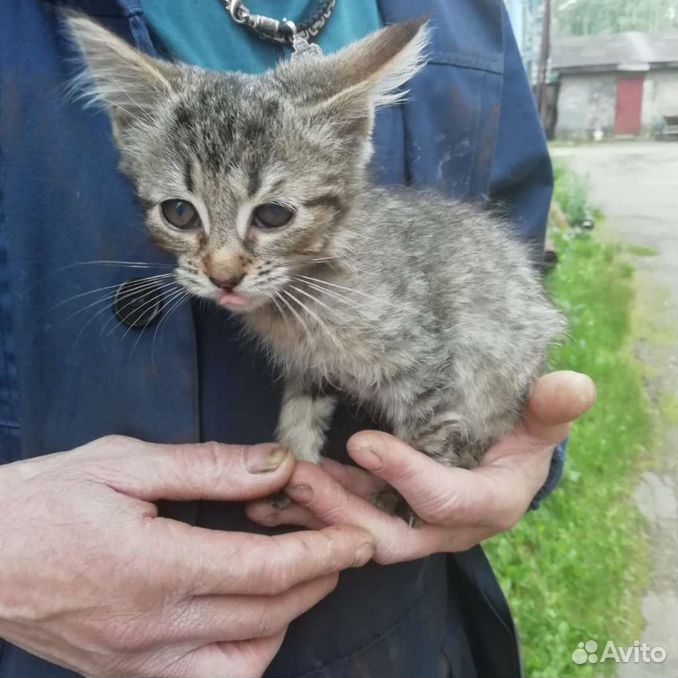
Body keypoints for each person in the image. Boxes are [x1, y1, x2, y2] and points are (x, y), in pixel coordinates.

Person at [0, 1, 595, 677]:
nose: (222, 267)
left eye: (273, 214)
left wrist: (513, 459)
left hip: (398, 627)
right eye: (180, 214)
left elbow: (510, 282)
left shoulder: (465, 16)